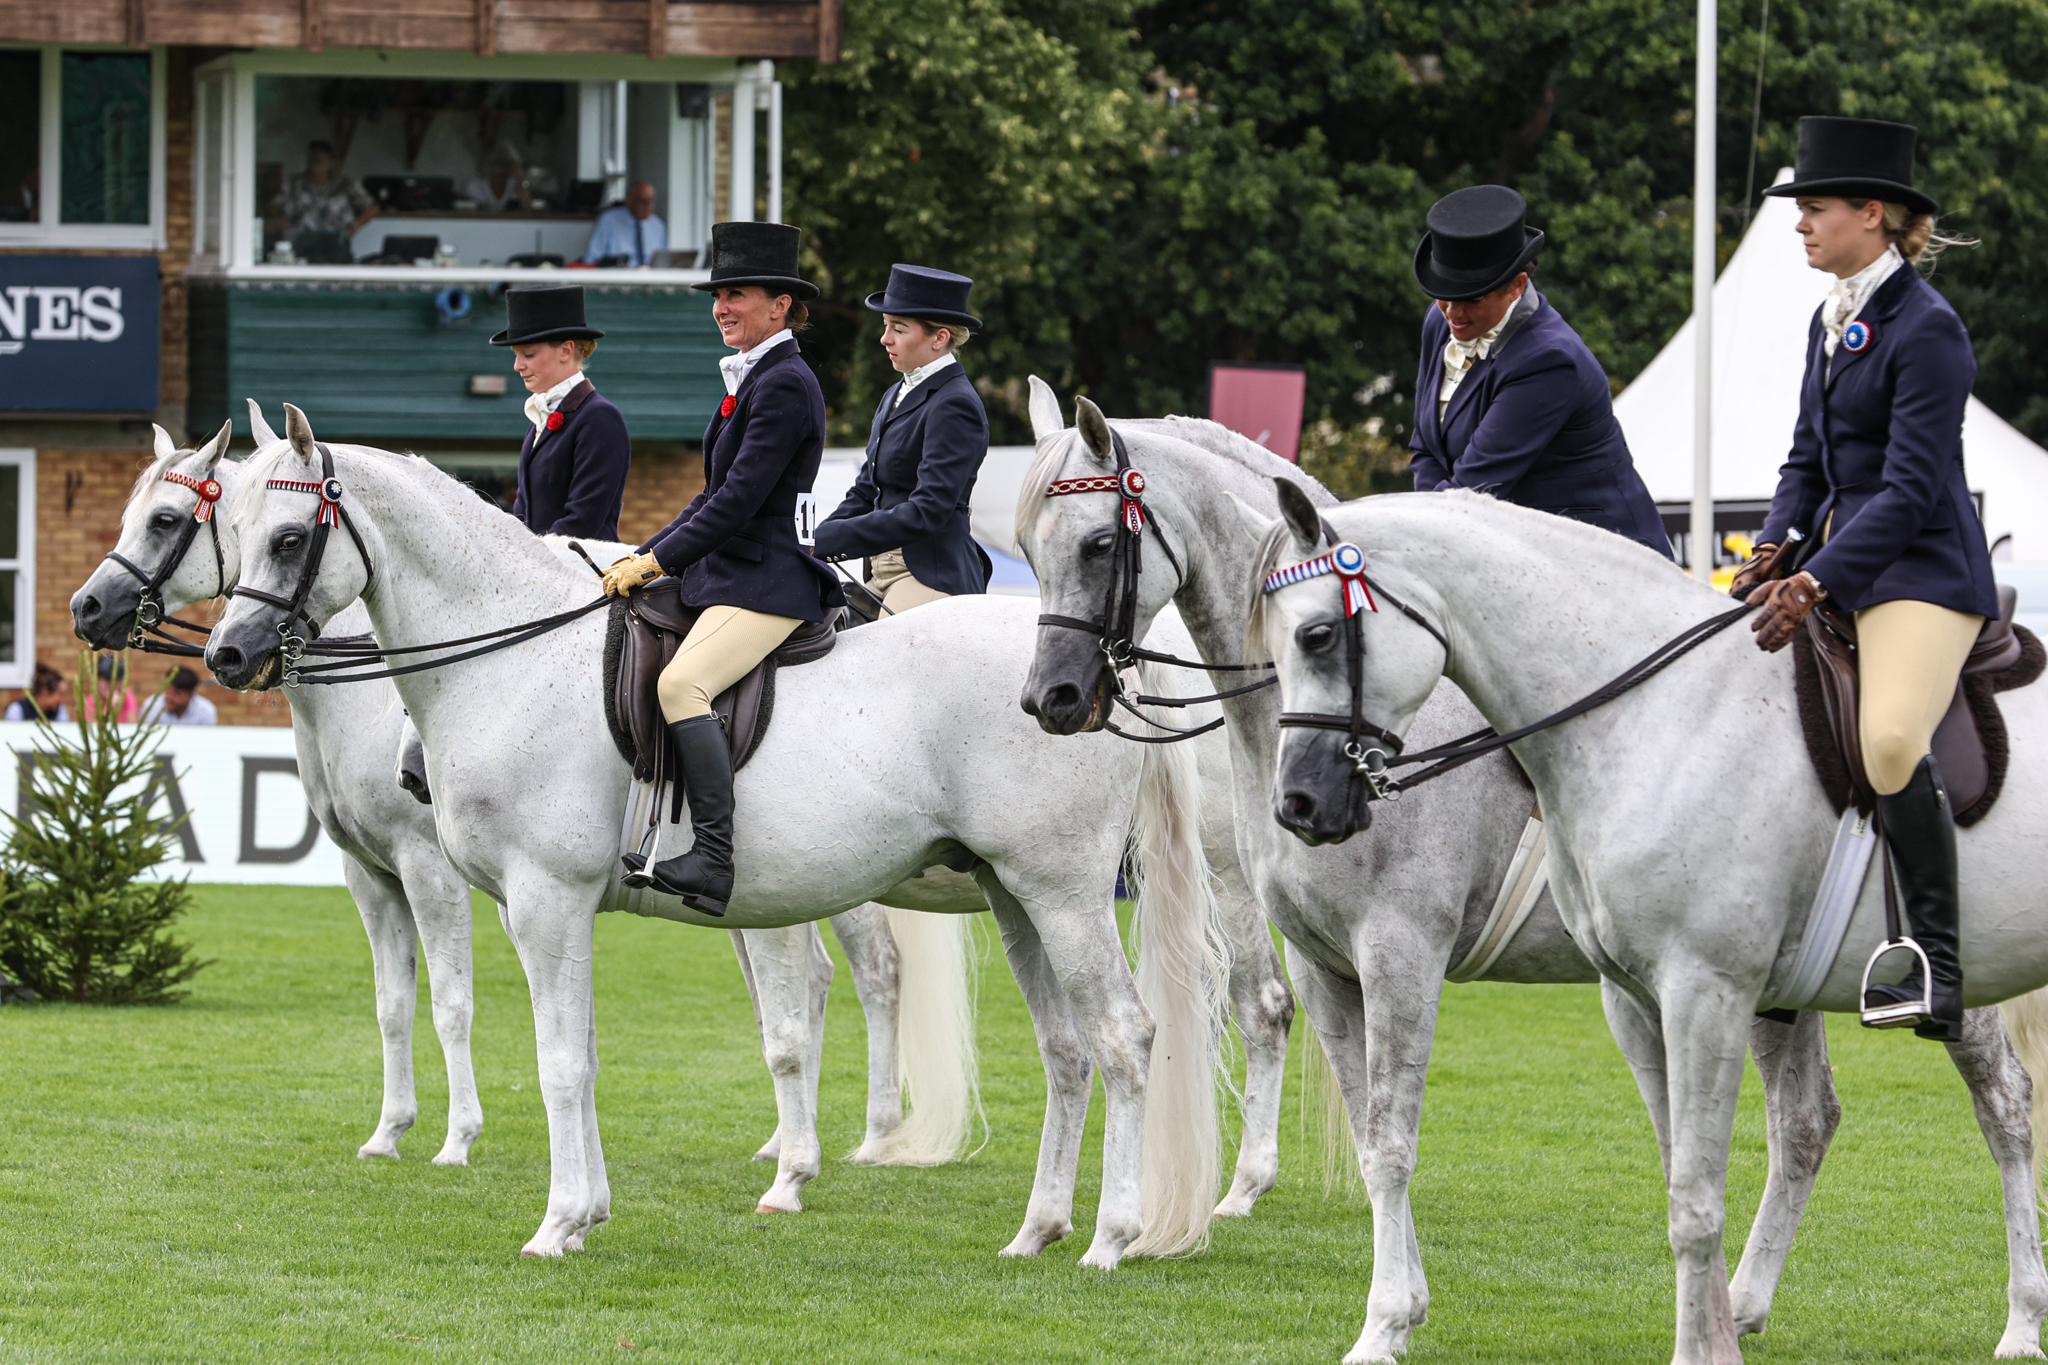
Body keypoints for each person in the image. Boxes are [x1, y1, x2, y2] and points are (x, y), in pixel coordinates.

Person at [1733, 116, 1990, 1042]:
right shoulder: (1831, 315)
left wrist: (1817, 580)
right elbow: (1808, 457)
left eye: (1816, 208)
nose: (1801, 223)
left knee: (1886, 740)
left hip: (1922, 570)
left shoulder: (1929, 329)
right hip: (1841, 561)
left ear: (1871, 214)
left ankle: (1937, 965)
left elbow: (1914, 488)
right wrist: (1771, 546)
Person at [602, 222, 843, 915]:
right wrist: (643, 552)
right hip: (730, 571)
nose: (720, 307)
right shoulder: (752, 376)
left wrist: (655, 560)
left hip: (769, 578)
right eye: (717, 295)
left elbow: (737, 503)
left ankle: (712, 856)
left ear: (779, 306)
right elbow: (709, 494)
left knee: (682, 684)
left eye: (735, 294)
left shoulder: (786, 382)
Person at [1408, 185, 1671, 558]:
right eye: (1443, 295)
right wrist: (1424, 519)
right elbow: (1425, 447)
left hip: (1600, 558)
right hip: (1511, 547)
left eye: (1471, 298)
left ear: (1517, 286)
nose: (1452, 312)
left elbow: (1472, 488)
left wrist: (1409, 530)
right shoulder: (1441, 323)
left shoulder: (1548, 360)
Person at [814, 264, 992, 613]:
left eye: (899, 328)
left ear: (939, 338)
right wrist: (811, 541)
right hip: (877, 573)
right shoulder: (896, 392)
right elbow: (867, 491)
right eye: (885, 326)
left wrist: (829, 541)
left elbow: (928, 510)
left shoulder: (955, 403)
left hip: (928, 573)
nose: (885, 338)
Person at [490, 286, 631, 539]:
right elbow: (524, 513)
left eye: (529, 354)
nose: (517, 365)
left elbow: (583, 520)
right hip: (542, 570)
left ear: (566, 350)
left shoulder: (599, 417)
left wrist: (528, 559)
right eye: (516, 355)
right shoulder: (539, 418)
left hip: (582, 569)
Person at [266, 141, 378, 264]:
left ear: (330, 162)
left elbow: (371, 209)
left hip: (335, 244)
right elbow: (273, 205)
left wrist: (353, 228)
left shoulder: (345, 184)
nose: (314, 163)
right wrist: (282, 221)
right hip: (300, 244)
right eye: (311, 159)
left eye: (319, 160)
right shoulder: (295, 183)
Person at [582, 182, 666, 267]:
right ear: (629, 201)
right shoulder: (608, 220)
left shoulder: (657, 225)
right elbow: (592, 258)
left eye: (651, 201)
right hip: (617, 277)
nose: (648, 206)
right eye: (643, 201)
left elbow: (664, 261)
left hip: (650, 277)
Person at [465, 142, 534, 214]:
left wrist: (521, 180)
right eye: (499, 164)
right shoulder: (475, 186)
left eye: (508, 165)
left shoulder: (515, 186)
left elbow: (528, 208)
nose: (503, 169)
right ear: (489, 165)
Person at [139, 667, 218, 726]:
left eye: (177, 693)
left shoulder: (206, 711)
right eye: (167, 690)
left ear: (190, 695)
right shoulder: (151, 706)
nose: (169, 697)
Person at [81, 655, 139, 724]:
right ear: (96, 680)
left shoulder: (126, 696)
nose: (112, 684)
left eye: (116, 680)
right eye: (107, 679)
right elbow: (94, 731)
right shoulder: (87, 704)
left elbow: (133, 726)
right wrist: (109, 707)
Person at [4, 662, 69, 722]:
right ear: (45, 693)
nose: (61, 700)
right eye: (60, 694)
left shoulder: (60, 711)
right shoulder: (17, 710)